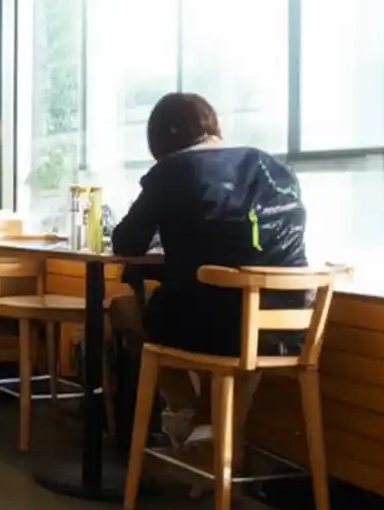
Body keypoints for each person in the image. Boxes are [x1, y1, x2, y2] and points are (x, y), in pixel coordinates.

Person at [109, 92, 309, 451]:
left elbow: (126, 242)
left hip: (214, 323)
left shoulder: (172, 170)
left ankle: (187, 415)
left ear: (164, 135)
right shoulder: (273, 166)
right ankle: (211, 433)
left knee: (125, 308)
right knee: (239, 330)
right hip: (289, 324)